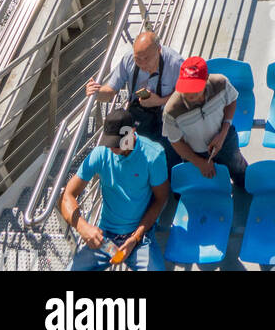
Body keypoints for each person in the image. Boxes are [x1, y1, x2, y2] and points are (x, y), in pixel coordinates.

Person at [60, 110, 168, 271]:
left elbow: (160, 199)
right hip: (106, 238)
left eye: (118, 142)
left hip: (139, 237)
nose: (113, 148)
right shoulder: (100, 153)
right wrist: (83, 228)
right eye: (110, 142)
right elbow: (66, 196)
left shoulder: (153, 155)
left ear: (132, 132)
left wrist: (135, 237)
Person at [86, 30, 183, 168]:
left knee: (166, 160)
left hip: (167, 116)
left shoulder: (175, 63)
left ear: (159, 50)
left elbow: (186, 95)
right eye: (138, 59)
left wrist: (159, 101)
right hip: (139, 115)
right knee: (129, 156)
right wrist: (96, 92)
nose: (142, 64)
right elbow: (110, 91)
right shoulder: (128, 60)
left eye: (147, 59)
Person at [163, 57, 247, 187]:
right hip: (196, 153)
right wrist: (199, 162)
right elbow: (175, 142)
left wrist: (223, 133)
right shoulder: (171, 111)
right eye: (186, 88)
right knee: (208, 185)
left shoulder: (221, 83)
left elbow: (231, 101)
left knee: (240, 171)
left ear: (206, 78)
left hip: (225, 140)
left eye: (195, 88)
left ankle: (244, 189)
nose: (190, 94)